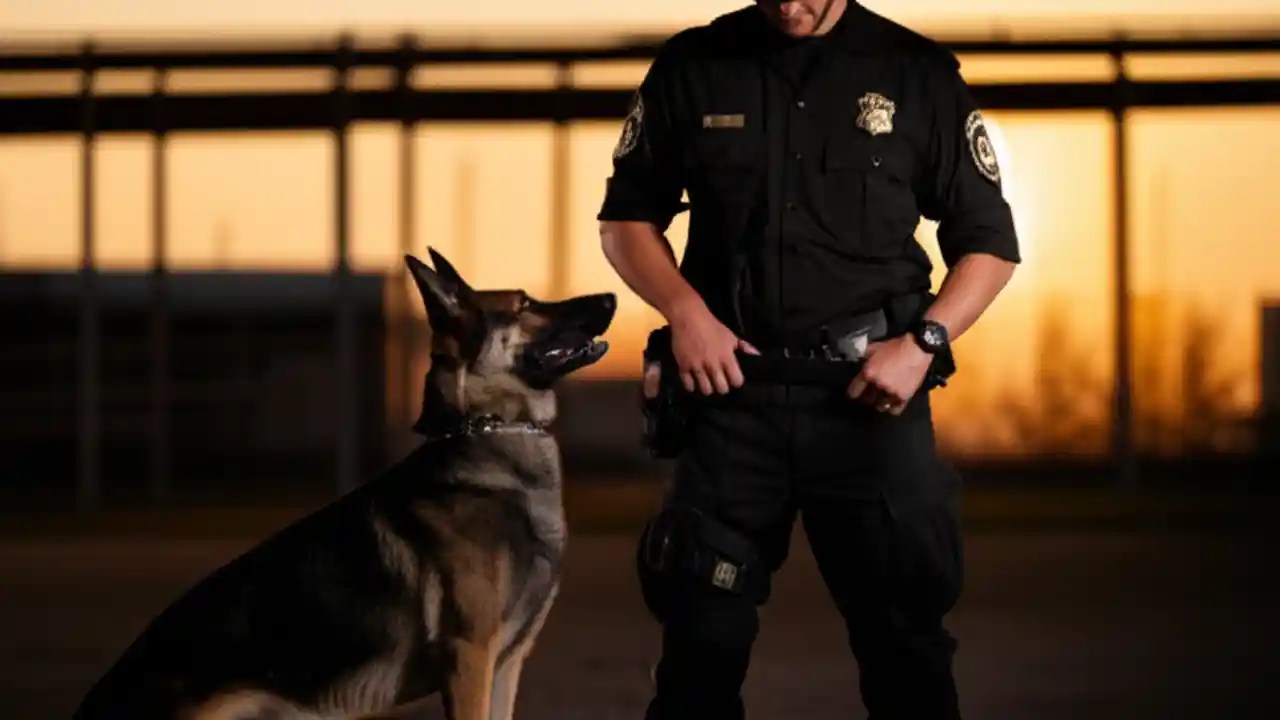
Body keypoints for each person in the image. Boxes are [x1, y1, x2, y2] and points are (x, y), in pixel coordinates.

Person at [597, 1, 1020, 718]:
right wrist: (685, 313)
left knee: (906, 650)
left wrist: (924, 344)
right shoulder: (692, 66)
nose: (789, 5)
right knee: (698, 651)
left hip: (870, 407)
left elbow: (989, 245)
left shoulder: (918, 74)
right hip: (731, 399)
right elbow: (625, 221)